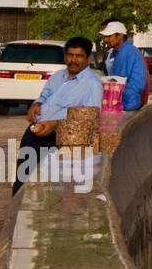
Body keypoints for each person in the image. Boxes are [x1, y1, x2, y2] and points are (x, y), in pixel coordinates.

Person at [14, 37, 103, 194]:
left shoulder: (92, 85)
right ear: (64, 56)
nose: (73, 60)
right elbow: (43, 97)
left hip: (58, 141)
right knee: (22, 180)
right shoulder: (57, 77)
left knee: (45, 188)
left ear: (89, 58)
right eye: (70, 55)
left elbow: (89, 122)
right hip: (34, 133)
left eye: (79, 56)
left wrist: (55, 124)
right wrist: (35, 105)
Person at [98, 19, 147, 112]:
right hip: (125, 102)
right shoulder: (121, 51)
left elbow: (117, 81)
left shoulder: (126, 51)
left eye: (108, 36)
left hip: (126, 104)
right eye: (104, 37)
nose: (105, 40)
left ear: (120, 36)